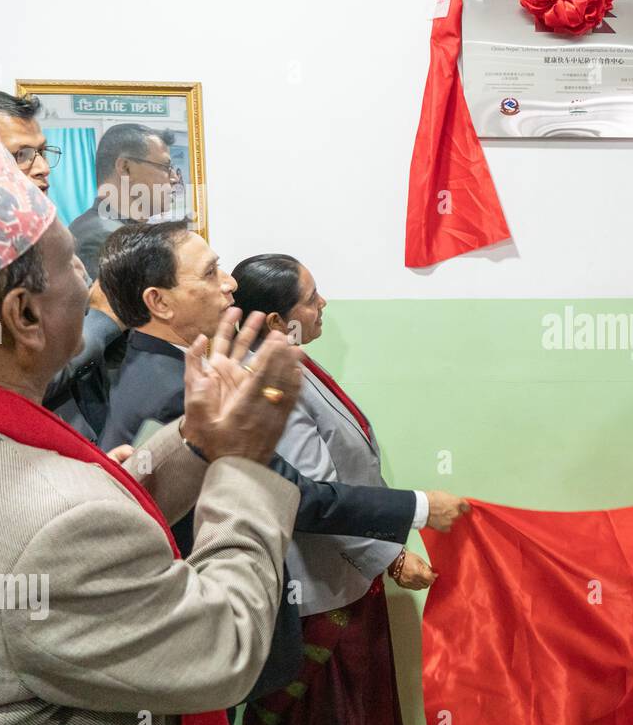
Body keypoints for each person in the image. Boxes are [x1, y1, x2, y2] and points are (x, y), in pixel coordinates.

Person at [0, 105, 305, 725]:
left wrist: (196, 444)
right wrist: (244, 467)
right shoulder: (53, 524)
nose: (89, 283)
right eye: (71, 269)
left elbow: (82, 510)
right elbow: (219, 645)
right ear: (23, 315)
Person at [96, 223, 467, 699]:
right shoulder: (175, 390)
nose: (230, 283)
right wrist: (417, 508)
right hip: (208, 628)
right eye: (211, 273)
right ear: (160, 302)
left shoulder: (172, 367)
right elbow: (296, 493)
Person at [230, 254, 436, 725]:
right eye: (311, 297)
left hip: (341, 584)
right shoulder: (266, 381)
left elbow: (353, 467)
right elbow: (315, 492)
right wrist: (389, 553)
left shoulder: (290, 361)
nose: (324, 304)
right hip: (315, 598)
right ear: (278, 321)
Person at [0, 88, 125, 437]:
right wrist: (103, 319)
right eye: (22, 154)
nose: (42, 169)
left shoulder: (37, 234)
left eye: (43, 152)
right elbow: (8, 371)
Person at [69, 122, 179, 279]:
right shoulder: (103, 238)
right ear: (126, 168)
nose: (174, 178)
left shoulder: (120, 230)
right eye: (165, 167)